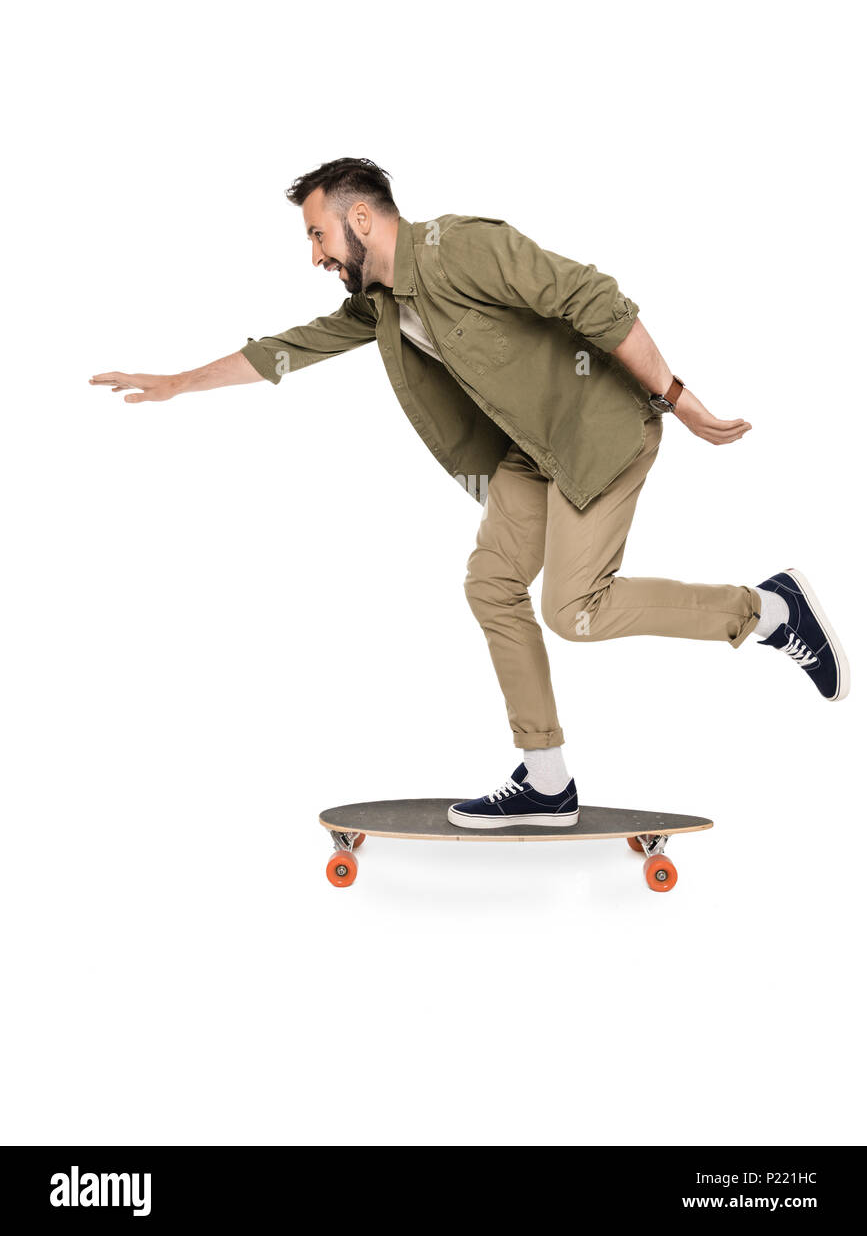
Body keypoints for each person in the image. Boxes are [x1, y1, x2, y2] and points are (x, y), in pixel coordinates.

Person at [90, 157, 849, 829]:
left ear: (360, 217)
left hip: (598, 434)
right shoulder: (381, 304)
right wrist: (178, 384)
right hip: (531, 453)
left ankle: (769, 609)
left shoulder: (463, 249)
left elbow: (593, 298)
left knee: (574, 613)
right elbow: (289, 350)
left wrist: (679, 398)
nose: (316, 254)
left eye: (318, 235)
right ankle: (546, 781)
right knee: (491, 584)